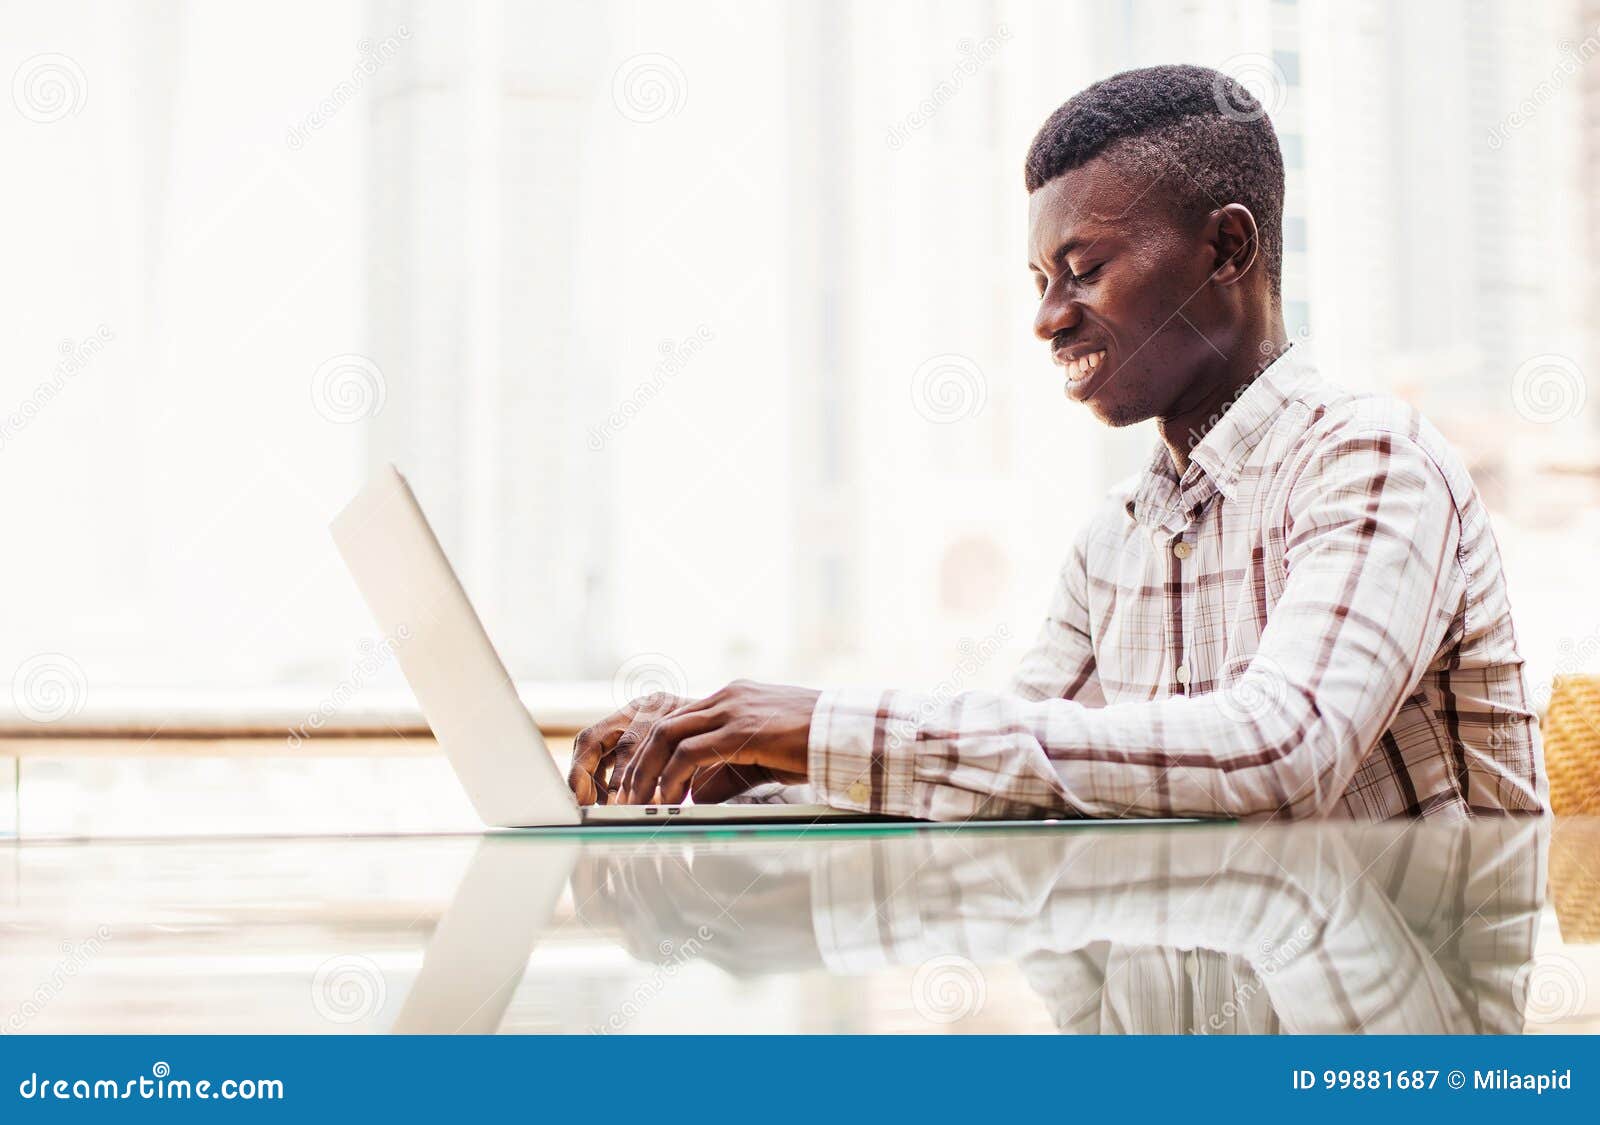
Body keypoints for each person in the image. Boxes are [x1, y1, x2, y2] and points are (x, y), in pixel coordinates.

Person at [567, 64, 1546, 820]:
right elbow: (1013, 773)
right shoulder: (1115, 540)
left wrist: (821, 725)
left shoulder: (1369, 462)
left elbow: (1275, 751)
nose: (1047, 319)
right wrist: (760, 774)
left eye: (1081, 271)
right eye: (1039, 279)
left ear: (1227, 250)